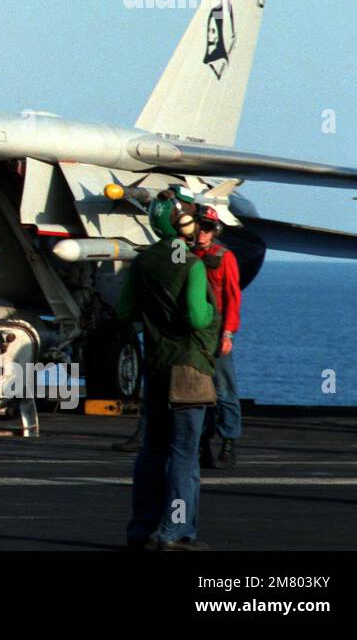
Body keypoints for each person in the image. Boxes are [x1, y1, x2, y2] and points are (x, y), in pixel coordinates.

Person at [118, 192, 216, 550]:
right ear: (181, 224)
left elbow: (124, 312)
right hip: (188, 369)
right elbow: (196, 317)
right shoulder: (191, 264)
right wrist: (207, 308)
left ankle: (141, 529)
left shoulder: (142, 263)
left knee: (152, 451)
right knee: (184, 455)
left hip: (156, 367)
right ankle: (174, 532)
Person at [193, 205, 243, 470]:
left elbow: (233, 296)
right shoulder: (188, 255)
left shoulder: (224, 257)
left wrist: (228, 333)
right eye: (199, 225)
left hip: (217, 331)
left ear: (215, 230)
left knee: (224, 390)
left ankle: (229, 442)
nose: (202, 231)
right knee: (197, 391)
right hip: (194, 334)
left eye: (208, 227)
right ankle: (202, 443)